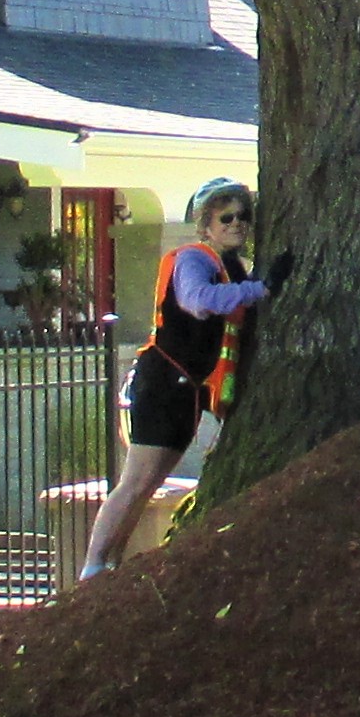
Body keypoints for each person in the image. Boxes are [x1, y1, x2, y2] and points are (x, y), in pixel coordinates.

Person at [77, 178, 288, 581]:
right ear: (205, 224)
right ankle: (92, 568)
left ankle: (110, 566)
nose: (237, 223)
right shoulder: (193, 259)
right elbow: (199, 302)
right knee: (136, 480)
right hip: (161, 383)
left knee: (150, 482)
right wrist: (262, 288)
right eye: (226, 217)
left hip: (186, 391)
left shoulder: (231, 267)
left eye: (243, 216)